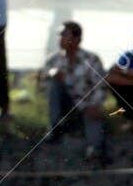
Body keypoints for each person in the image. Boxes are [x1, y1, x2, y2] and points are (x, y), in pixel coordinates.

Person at [41, 20, 107, 158]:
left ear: (77, 39)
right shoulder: (53, 60)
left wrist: (94, 106)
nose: (61, 39)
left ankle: (95, 152)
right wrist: (53, 74)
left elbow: (100, 86)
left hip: (86, 105)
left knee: (94, 121)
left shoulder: (91, 59)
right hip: (65, 106)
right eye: (60, 35)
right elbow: (44, 85)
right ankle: (55, 129)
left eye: (65, 35)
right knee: (55, 85)